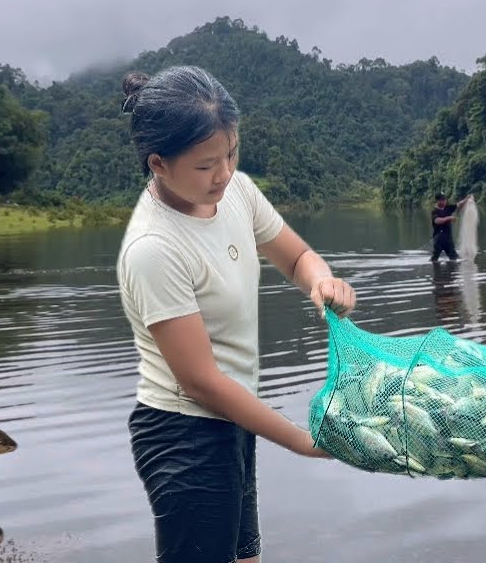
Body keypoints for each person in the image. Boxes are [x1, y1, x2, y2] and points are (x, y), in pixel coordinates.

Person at [116, 66, 356, 563]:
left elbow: (295, 257)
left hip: (232, 422)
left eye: (231, 153)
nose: (223, 173)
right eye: (206, 165)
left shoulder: (238, 193)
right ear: (158, 165)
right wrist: (299, 439)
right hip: (184, 436)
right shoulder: (153, 248)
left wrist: (322, 281)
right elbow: (201, 380)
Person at [430, 192, 472, 262]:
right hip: (438, 240)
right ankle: (436, 271)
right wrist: (449, 218)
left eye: (445, 199)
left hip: (448, 239)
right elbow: (437, 221)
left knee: (454, 258)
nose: (444, 201)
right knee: (435, 259)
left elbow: (459, 205)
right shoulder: (435, 211)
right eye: (442, 200)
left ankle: (452, 271)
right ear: (437, 201)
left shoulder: (448, 208)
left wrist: (467, 199)